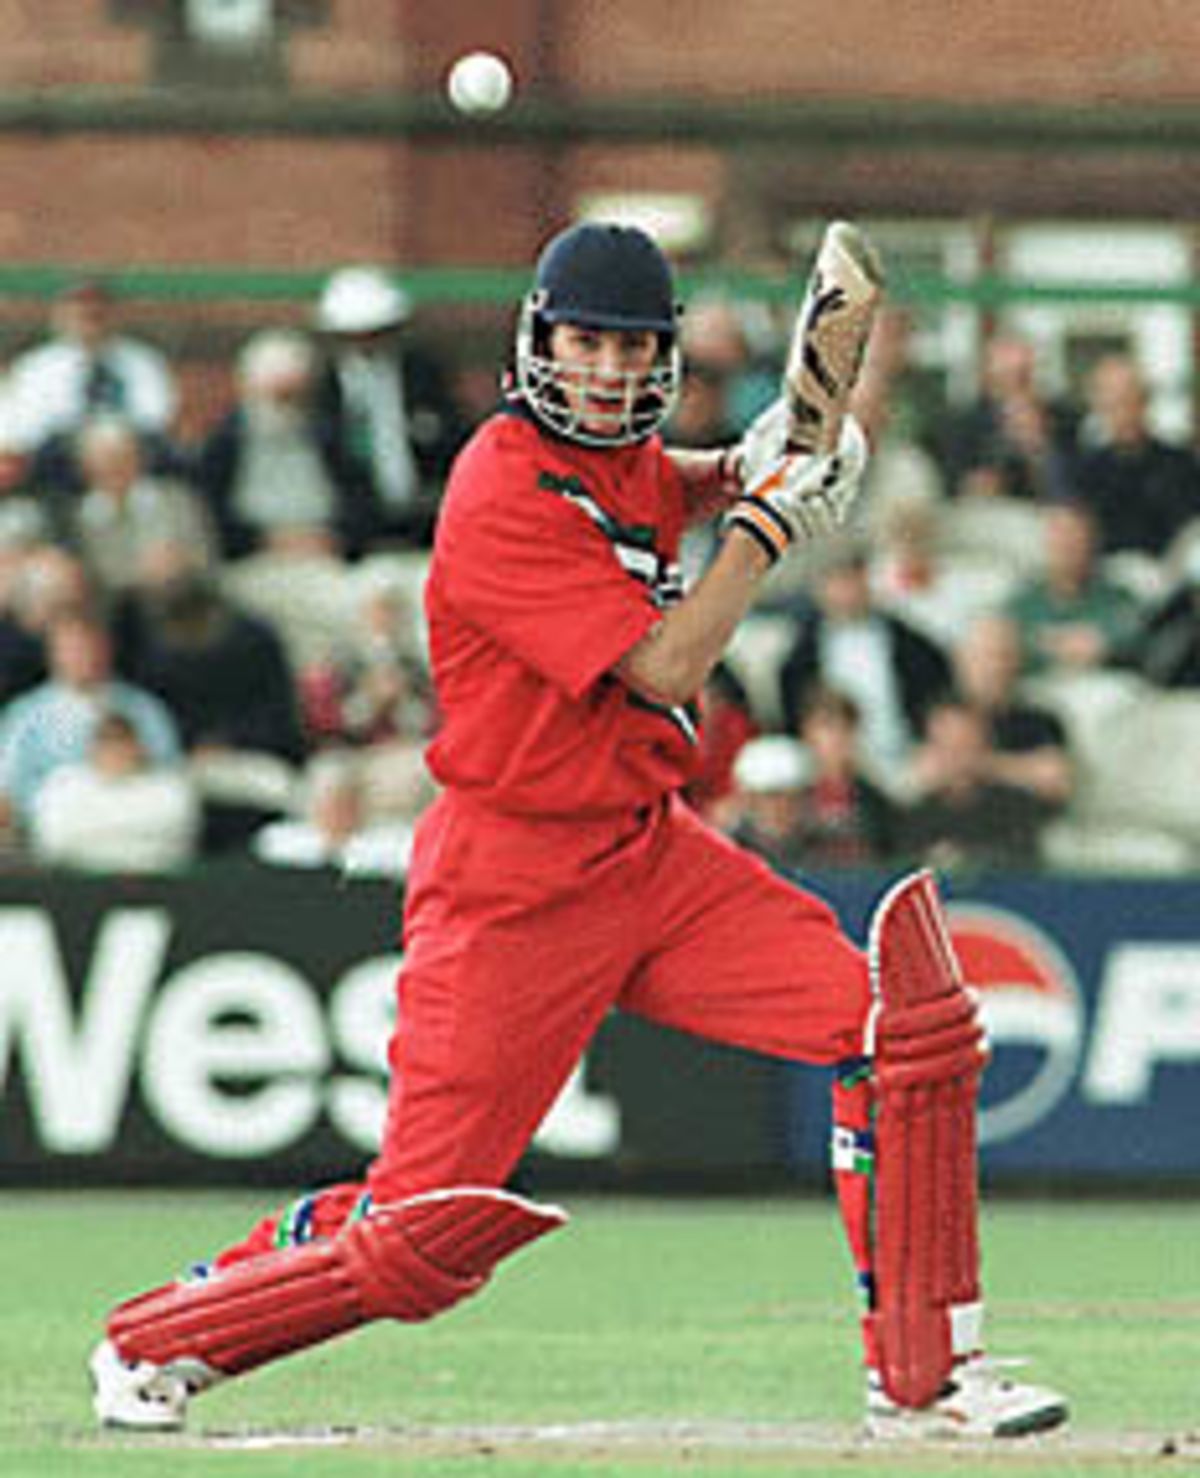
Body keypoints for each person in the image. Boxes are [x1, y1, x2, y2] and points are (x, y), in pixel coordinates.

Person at [90, 221, 1066, 1441]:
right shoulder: (500, 486)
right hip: (513, 879)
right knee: (419, 1238)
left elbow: (668, 484)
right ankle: (156, 1335)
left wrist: (756, 459)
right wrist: (765, 526)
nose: (607, 370)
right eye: (585, 342)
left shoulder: (633, 459)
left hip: (650, 852)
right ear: (537, 342)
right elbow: (662, 666)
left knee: (906, 1027)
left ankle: (925, 1379)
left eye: (632, 348)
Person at [313, 266, 470, 547]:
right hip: (356, 534)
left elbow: (453, 438)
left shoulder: (424, 376)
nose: (366, 345)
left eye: (375, 333)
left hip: (429, 524)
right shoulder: (324, 390)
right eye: (354, 335)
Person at [193, 329, 378, 561]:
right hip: (258, 560)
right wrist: (269, 541)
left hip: (329, 552)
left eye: (295, 395)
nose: (289, 407)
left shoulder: (329, 438)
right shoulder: (224, 445)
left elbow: (364, 505)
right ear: (249, 389)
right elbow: (208, 519)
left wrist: (335, 538)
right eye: (279, 396)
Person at [5, 278, 179, 487]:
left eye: (98, 313)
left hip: (130, 453)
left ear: (115, 316)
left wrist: (110, 440)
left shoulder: (144, 362)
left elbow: (156, 417)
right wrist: (86, 442)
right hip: (61, 461)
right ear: (60, 317)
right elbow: (27, 428)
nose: (90, 319)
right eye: (80, 313)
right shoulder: (36, 367)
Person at [28, 710, 199, 874]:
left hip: (155, 883)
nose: (115, 749)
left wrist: (94, 831)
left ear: (139, 746)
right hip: (77, 883)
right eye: (106, 741)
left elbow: (175, 840)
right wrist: (133, 832)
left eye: (123, 741)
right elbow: (53, 840)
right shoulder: (63, 784)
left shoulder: (170, 787)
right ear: (91, 748)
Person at [1068, 353, 1200, 557]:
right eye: (1115, 402)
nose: (1124, 411)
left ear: (1145, 402)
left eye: (1131, 399)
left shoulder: (1180, 464)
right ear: (1099, 406)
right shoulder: (1085, 471)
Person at [1005, 500, 1143, 675]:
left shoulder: (1118, 598)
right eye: (1060, 537)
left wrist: (1104, 644)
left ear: (1093, 543)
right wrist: (1059, 646)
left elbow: (1136, 637)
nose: (1068, 546)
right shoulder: (1022, 602)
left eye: (1077, 537)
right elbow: (1006, 644)